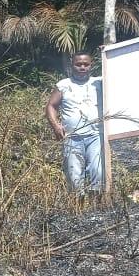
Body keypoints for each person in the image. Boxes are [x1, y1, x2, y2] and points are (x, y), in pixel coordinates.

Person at [46, 52, 105, 196]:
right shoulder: (63, 85)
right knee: (74, 176)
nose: (82, 67)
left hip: (96, 135)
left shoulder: (100, 82)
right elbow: (51, 106)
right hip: (71, 137)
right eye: (78, 64)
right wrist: (56, 126)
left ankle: (97, 206)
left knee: (97, 171)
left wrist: (108, 51)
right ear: (72, 66)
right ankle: (78, 209)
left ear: (91, 65)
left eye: (86, 64)